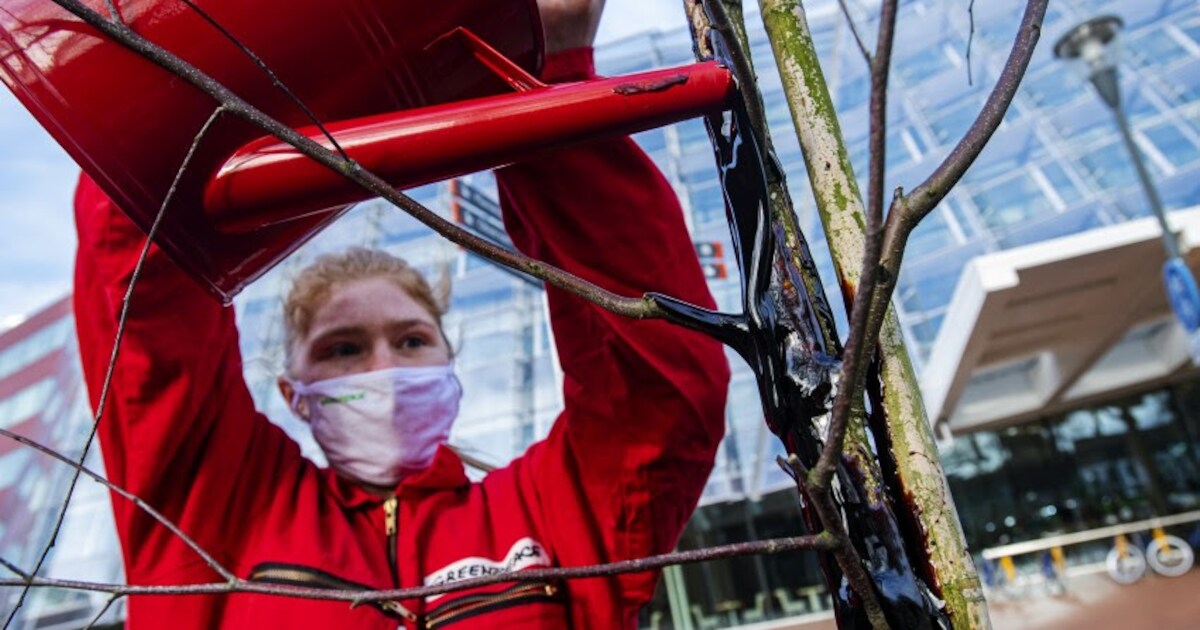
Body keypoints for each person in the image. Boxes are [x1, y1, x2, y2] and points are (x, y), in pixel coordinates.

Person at [72, 0, 730, 627]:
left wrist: (542, 67)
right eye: (342, 349)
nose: (383, 368)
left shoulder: (549, 510)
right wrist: (194, 49)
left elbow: (659, 389)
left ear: (451, 364)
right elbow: (142, 284)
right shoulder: (221, 507)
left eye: (412, 341)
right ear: (292, 393)